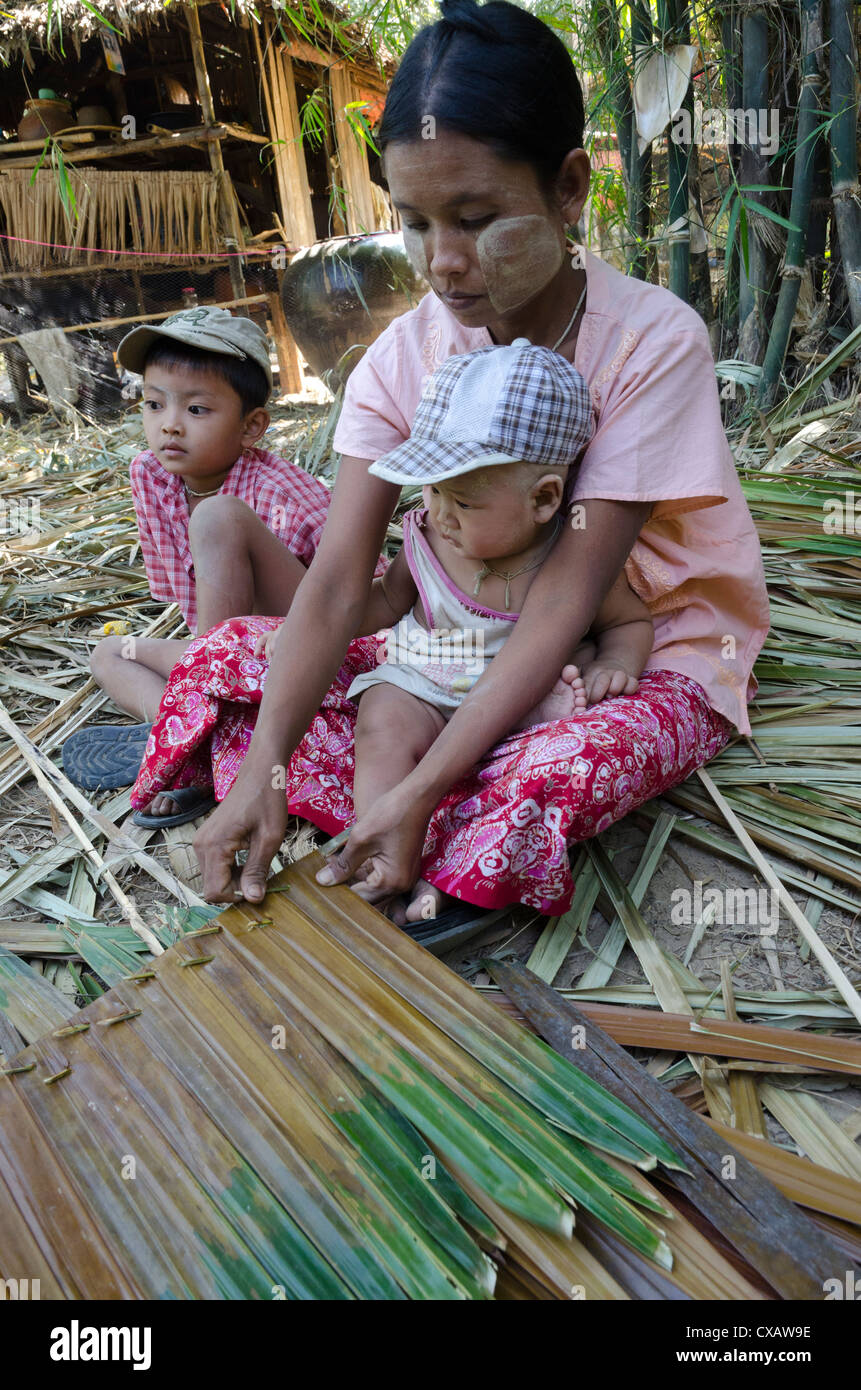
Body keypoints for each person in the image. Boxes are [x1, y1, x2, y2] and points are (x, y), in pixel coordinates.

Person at [149, 0, 768, 915]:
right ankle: (373, 803)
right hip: (444, 654)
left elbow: (565, 598)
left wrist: (424, 781)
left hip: (624, 655)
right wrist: (268, 774)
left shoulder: (650, 343)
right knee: (229, 663)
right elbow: (333, 585)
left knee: (557, 771)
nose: (441, 262)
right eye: (414, 220)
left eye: (476, 218)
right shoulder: (403, 359)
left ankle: (414, 809)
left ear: (568, 189)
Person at [317, 338, 655, 916]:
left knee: (529, 765)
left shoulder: (571, 564)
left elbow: (630, 620)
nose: (442, 514)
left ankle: (448, 868)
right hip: (424, 684)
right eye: (433, 490)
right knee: (382, 718)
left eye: (465, 502)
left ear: (545, 500)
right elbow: (382, 602)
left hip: (515, 705)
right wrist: (319, 629)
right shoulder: (426, 540)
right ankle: (378, 842)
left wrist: (614, 664)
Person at [88, 306, 334, 816]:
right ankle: (194, 735)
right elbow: (188, 602)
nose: (170, 426)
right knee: (111, 654)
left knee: (218, 517)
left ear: (251, 427)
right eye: (154, 405)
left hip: (295, 658)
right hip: (221, 658)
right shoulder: (151, 476)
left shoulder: (278, 489)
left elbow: (359, 590)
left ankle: (193, 741)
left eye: (196, 410)